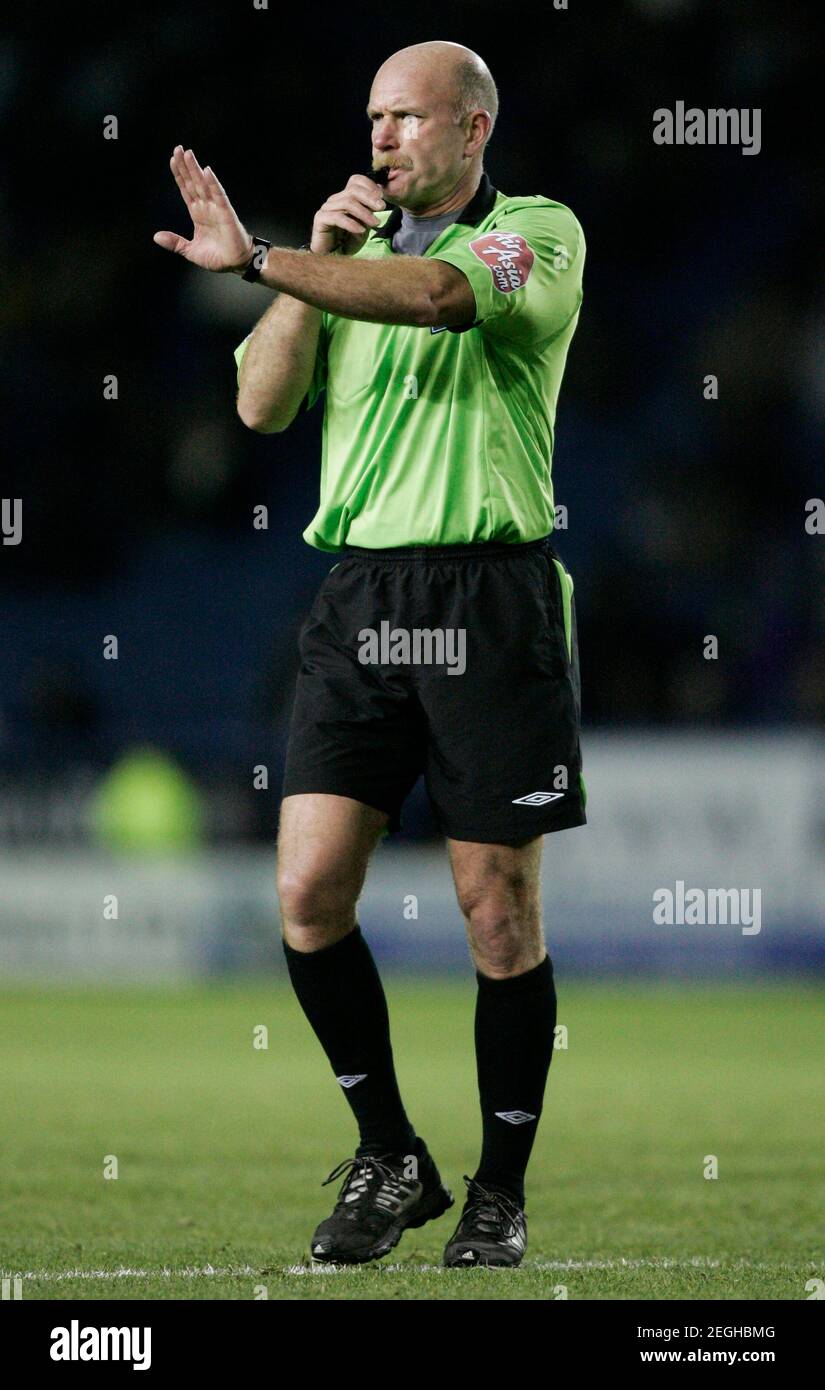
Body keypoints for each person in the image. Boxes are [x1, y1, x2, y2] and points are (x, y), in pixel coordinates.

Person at [154, 39, 586, 1268]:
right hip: (360, 596)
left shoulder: (537, 233)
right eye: (373, 116)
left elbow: (447, 301)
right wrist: (303, 270)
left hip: (490, 592)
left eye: (407, 116)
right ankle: (391, 1153)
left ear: (473, 129)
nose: (383, 136)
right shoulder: (339, 260)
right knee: (306, 893)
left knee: (494, 912)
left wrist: (265, 260)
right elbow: (260, 406)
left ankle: (499, 1192)